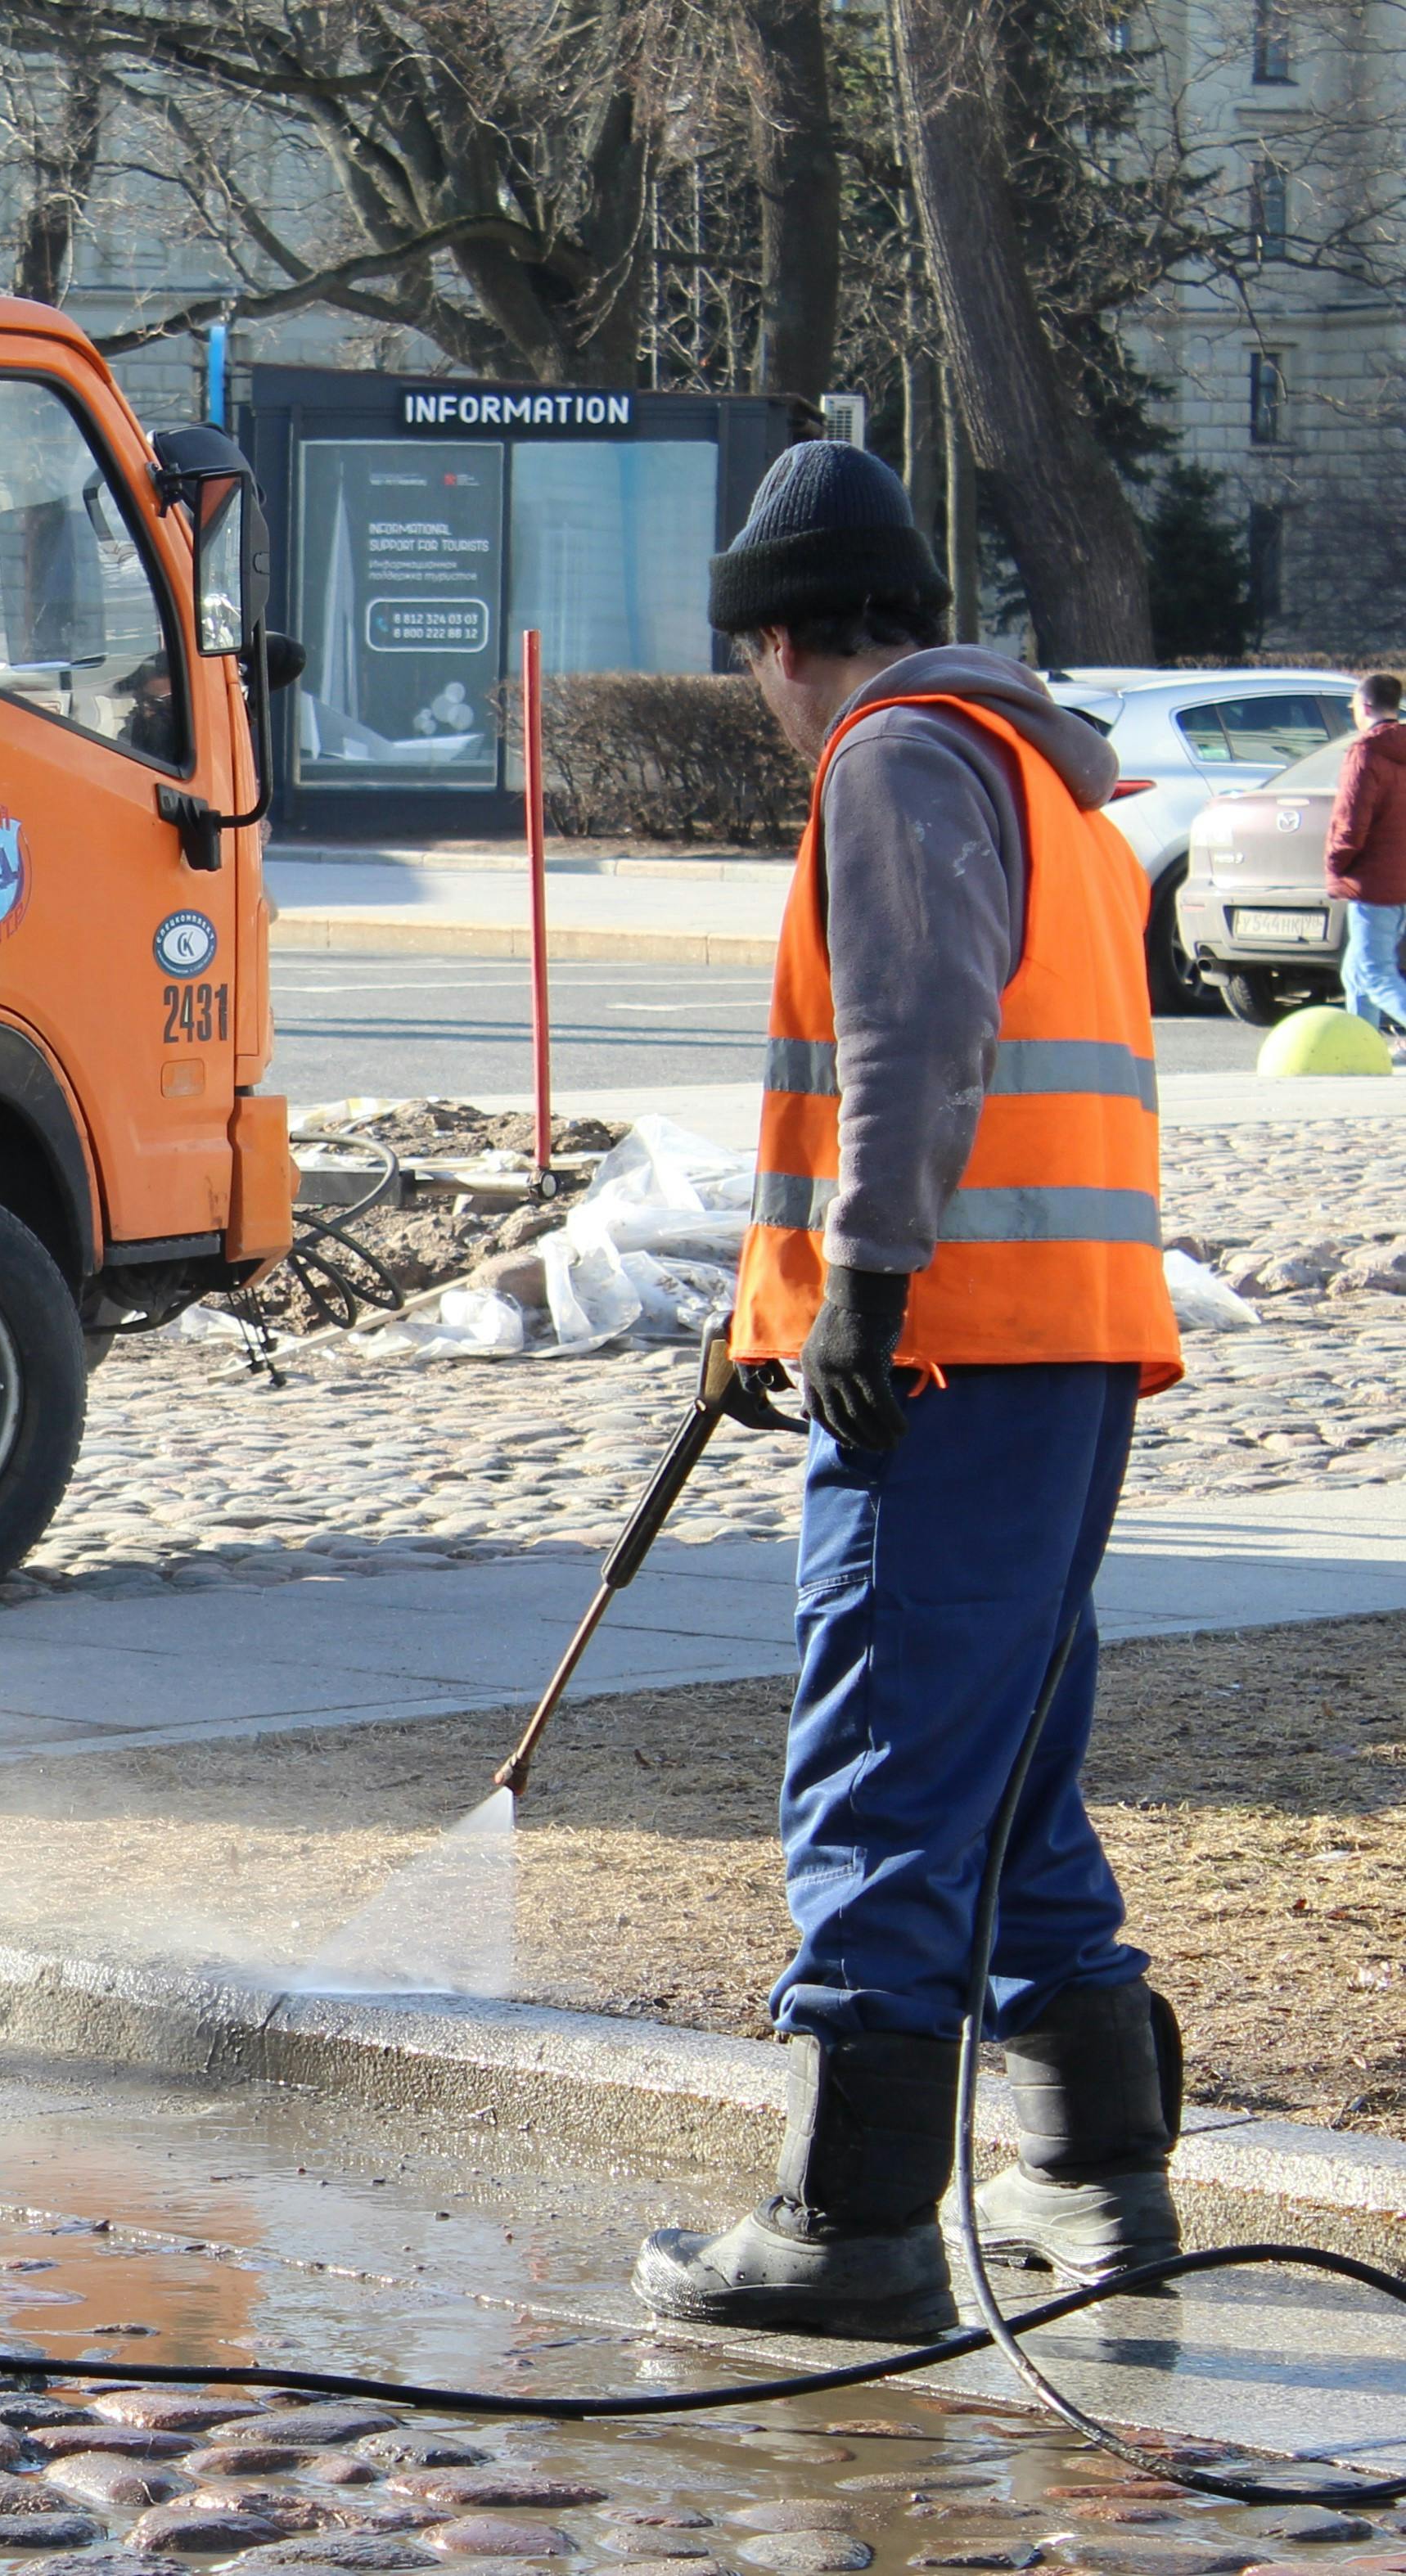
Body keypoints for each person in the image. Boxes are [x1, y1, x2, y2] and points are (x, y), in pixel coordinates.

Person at [630, 440, 1187, 2340]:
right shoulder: (1043, 770)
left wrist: (862, 1288)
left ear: (783, 644)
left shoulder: (893, 756)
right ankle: (1096, 2172)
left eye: (751, 675)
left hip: (948, 1343)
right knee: (1008, 1761)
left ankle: (850, 2216)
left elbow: (914, 1028)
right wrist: (776, 1298)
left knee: (876, 1757)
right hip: (1062, 1335)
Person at [1325, 672, 1406, 1046]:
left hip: (1375, 880)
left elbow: (1350, 822)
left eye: (1353, 706)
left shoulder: (1366, 752)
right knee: (1355, 972)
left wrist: (1335, 865)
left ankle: (1363, 1043)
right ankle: (1364, 1046)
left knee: (1375, 974)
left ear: (1366, 706)